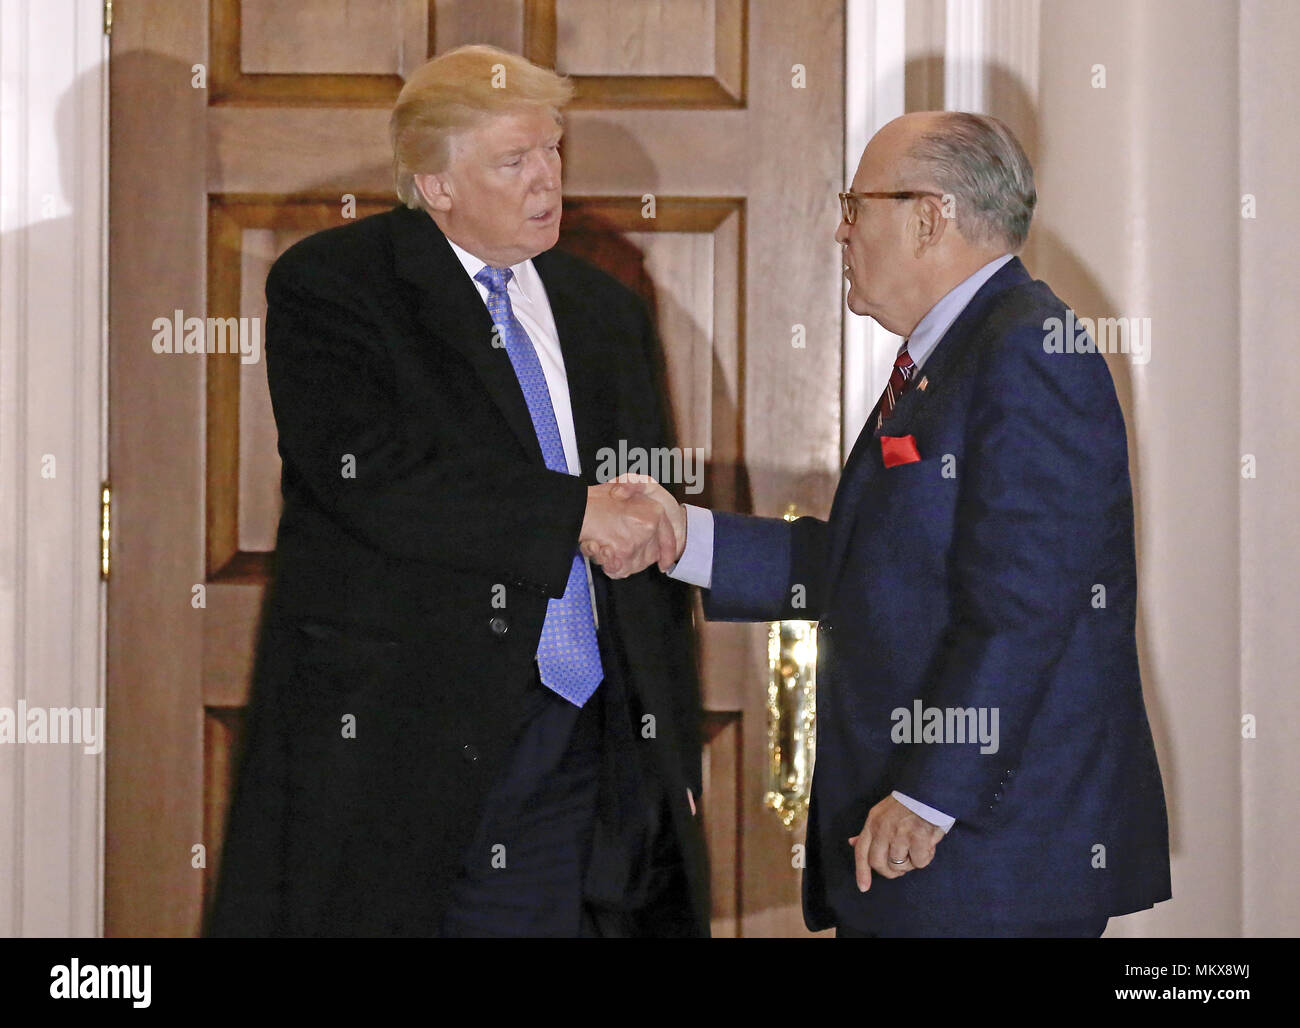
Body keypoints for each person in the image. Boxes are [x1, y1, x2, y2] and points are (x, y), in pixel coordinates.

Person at [597, 112, 1172, 938]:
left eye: (854, 203)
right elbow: (876, 563)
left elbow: (1028, 605)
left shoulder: (1026, 350)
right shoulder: (959, 351)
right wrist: (682, 537)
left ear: (928, 215)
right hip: (940, 852)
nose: (841, 228)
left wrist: (929, 794)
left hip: (982, 859)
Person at [205, 45, 707, 938]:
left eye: (553, 151)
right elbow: (372, 476)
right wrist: (572, 516)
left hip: (581, 737)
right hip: (410, 740)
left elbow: (641, 498)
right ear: (434, 184)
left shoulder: (604, 309)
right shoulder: (335, 287)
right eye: (514, 161)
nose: (546, 180)